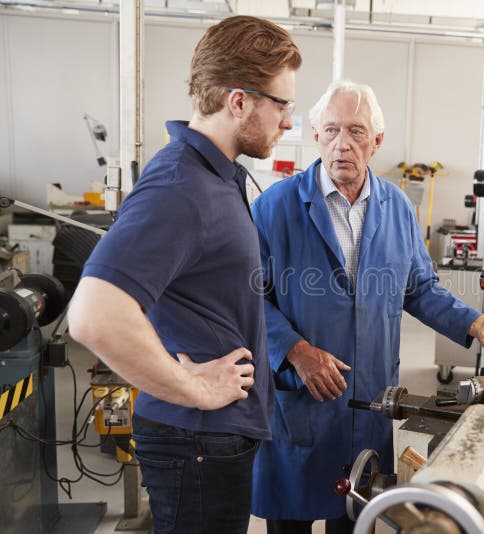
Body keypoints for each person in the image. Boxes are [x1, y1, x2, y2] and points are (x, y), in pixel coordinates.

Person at [250, 80, 484, 533]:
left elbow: (419, 288)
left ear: (377, 142)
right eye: (332, 130)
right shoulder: (275, 207)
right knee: (289, 522)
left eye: (357, 132)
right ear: (316, 135)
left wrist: (475, 323)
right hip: (300, 400)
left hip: (368, 403)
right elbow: (248, 299)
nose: (343, 144)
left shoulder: (396, 207)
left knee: (357, 515)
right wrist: (296, 351)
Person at [67, 16, 302, 534]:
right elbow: (93, 316)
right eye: (282, 104)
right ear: (238, 100)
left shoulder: (215, 176)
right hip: (196, 440)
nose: (289, 121)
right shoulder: (182, 186)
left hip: (214, 438)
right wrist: (192, 389)